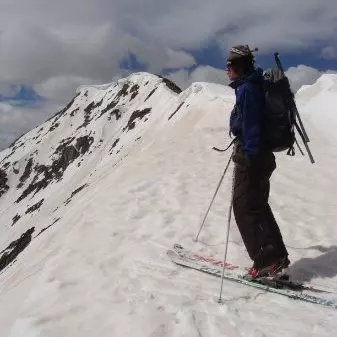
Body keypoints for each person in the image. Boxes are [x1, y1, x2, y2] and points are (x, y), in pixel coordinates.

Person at [226, 45, 290, 279]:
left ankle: (267, 260)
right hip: (262, 155)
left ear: (240, 66)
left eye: (230, 65)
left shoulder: (248, 89)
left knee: (245, 207)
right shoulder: (253, 85)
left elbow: (251, 124)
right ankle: (276, 256)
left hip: (252, 156)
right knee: (257, 205)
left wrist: (249, 155)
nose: (227, 69)